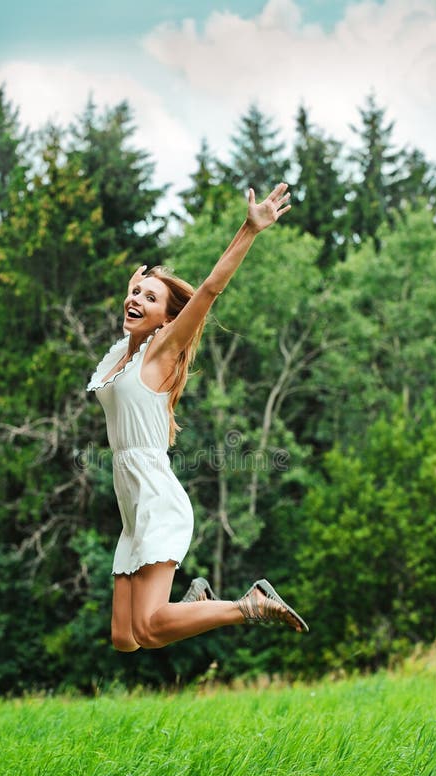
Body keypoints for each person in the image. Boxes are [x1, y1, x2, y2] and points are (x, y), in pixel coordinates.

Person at [87, 182, 308, 651]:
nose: (137, 300)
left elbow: (209, 289)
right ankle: (199, 600)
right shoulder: (124, 359)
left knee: (147, 628)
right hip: (132, 501)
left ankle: (248, 603)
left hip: (154, 496)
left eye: (150, 298)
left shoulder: (161, 351)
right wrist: (137, 288)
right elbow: (133, 317)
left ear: (168, 320)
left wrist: (249, 230)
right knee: (125, 638)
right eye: (136, 293)